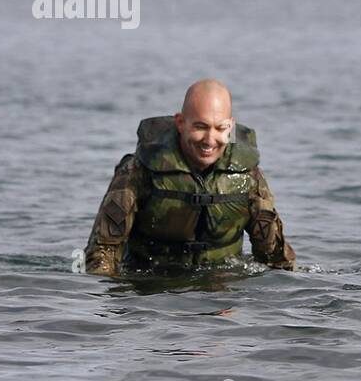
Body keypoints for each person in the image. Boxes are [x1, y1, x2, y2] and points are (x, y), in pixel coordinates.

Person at [83, 79, 296, 275]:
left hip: (222, 290)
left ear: (230, 127)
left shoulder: (248, 177)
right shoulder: (137, 172)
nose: (209, 140)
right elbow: (102, 253)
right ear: (180, 123)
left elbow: (274, 257)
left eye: (220, 128)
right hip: (150, 293)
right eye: (200, 127)